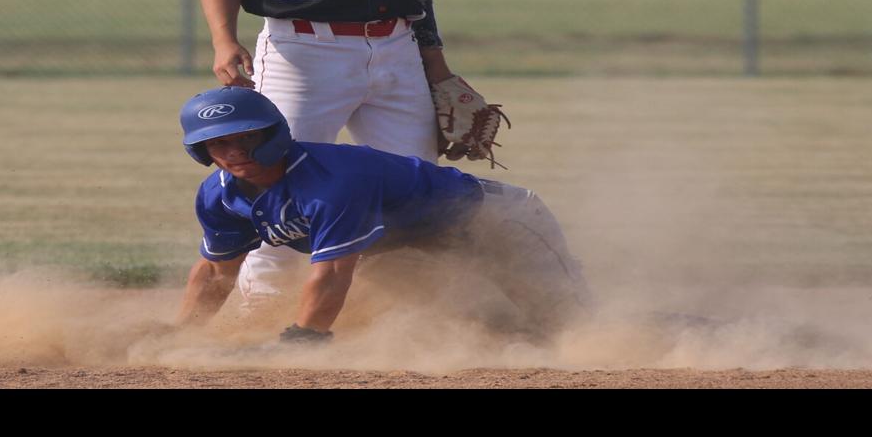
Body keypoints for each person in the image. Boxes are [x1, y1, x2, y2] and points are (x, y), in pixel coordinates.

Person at [200, 0, 506, 318]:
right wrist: (223, 41)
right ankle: (261, 311)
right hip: (302, 52)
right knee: (278, 184)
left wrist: (435, 65)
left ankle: (398, 316)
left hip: (398, 48)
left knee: (414, 190)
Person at [173, 88, 589, 342]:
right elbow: (214, 272)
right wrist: (184, 335)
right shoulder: (219, 195)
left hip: (493, 222)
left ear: (273, 132)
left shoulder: (331, 180)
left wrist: (303, 339)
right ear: (200, 150)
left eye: (245, 137)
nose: (232, 151)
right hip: (409, 247)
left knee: (568, 323)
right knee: (474, 326)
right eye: (217, 143)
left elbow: (334, 272)